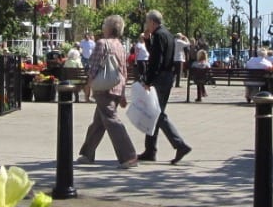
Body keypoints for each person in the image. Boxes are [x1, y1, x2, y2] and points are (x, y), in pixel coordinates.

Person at [77, 14, 140, 168]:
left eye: (104, 25)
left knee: (111, 120)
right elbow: (124, 71)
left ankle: (129, 156)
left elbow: (93, 67)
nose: (103, 27)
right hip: (116, 87)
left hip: (103, 87)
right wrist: (122, 93)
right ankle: (87, 153)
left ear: (109, 28)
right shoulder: (120, 45)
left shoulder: (101, 43)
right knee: (98, 122)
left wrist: (88, 86)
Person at [138, 10, 192, 164]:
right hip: (167, 76)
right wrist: (147, 41)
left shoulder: (158, 35)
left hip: (160, 78)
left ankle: (180, 145)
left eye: (147, 22)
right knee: (153, 113)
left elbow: (156, 60)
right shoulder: (167, 34)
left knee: (157, 113)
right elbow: (157, 53)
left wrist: (148, 80)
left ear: (152, 22)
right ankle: (150, 150)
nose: (146, 25)